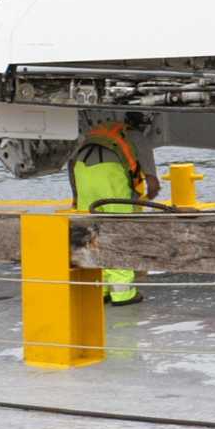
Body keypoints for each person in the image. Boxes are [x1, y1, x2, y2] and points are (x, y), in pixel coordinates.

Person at [67, 119, 156, 306]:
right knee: (118, 231)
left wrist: (76, 195)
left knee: (93, 233)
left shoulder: (97, 132)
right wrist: (149, 192)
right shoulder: (137, 137)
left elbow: (71, 163)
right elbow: (152, 182)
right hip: (110, 176)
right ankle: (123, 294)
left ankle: (103, 289)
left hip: (81, 173)